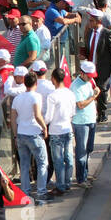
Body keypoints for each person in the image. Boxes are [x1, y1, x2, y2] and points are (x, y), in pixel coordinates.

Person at [12, 70, 49, 204]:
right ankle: (41, 191)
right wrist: (44, 127)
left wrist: (16, 136)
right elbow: (38, 115)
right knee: (42, 163)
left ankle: (25, 193)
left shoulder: (17, 98)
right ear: (35, 83)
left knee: (24, 164)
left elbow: (13, 119)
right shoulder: (36, 97)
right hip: (34, 133)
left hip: (21, 134)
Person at [44, 66, 77, 196]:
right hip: (68, 128)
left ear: (53, 79)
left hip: (56, 131)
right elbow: (73, 112)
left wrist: (41, 122)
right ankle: (67, 183)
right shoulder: (70, 93)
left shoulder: (52, 96)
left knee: (58, 160)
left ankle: (60, 186)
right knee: (68, 157)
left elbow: (49, 117)